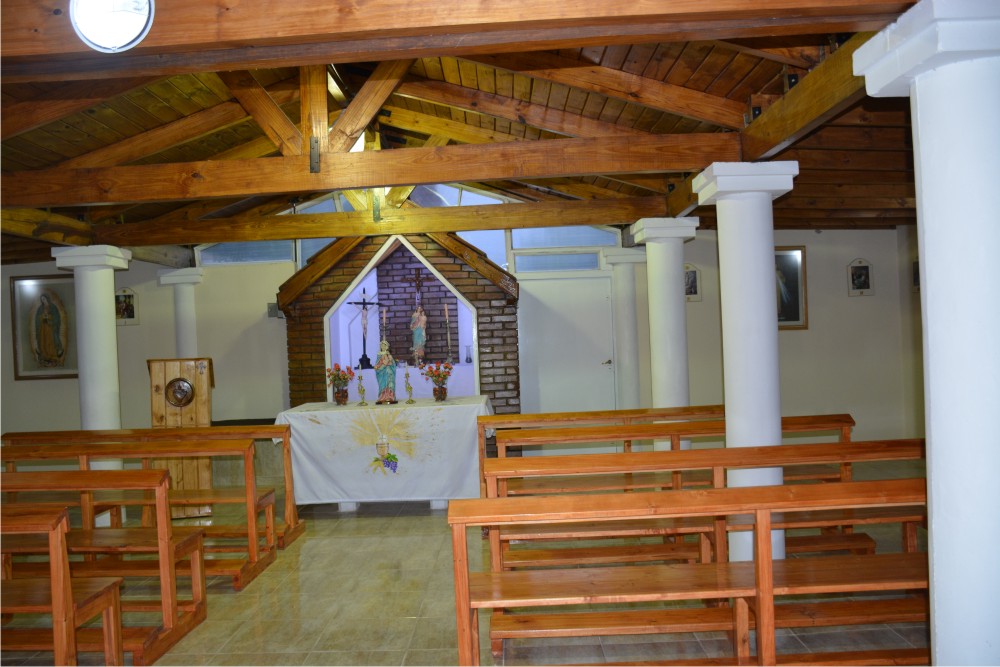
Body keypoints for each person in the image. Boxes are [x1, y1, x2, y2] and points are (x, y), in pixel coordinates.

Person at [32, 292, 65, 368]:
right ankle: (44, 356)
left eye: (44, 299)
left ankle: (52, 356)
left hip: (51, 328)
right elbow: (37, 319)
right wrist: (42, 317)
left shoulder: (53, 307)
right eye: (41, 299)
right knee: (43, 340)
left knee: (51, 341)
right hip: (43, 328)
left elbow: (57, 318)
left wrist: (49, 318)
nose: (43, 301)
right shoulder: (40, 308)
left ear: (47, 299)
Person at [374, 339, 397, 404]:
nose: (383, 347)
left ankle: (390, 396)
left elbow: (393, 364)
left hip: (389, 372)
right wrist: (378, 367)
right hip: (382, 373)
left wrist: (389, 362)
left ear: (386, 347)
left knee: (389, 384)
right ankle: (382, 397)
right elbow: (378, 363)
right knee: (383, 384)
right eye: (381, 346)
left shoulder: (388, 354)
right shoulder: (379, 355)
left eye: (384, 346)